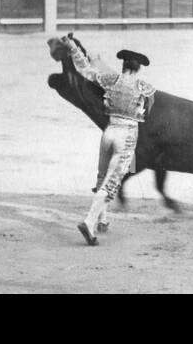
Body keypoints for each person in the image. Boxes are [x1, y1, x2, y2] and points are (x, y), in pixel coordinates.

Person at [65, 35, 155, 245]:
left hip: (108, 132)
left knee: (102, 176)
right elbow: (147, 113)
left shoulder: (110, 80)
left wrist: (72, 48)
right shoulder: (146, 88)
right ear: (138, 68)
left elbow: (84, 70)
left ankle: (103, 218)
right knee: (111, 182)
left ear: (123, 65)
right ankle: (89, 221)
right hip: (127, 136)